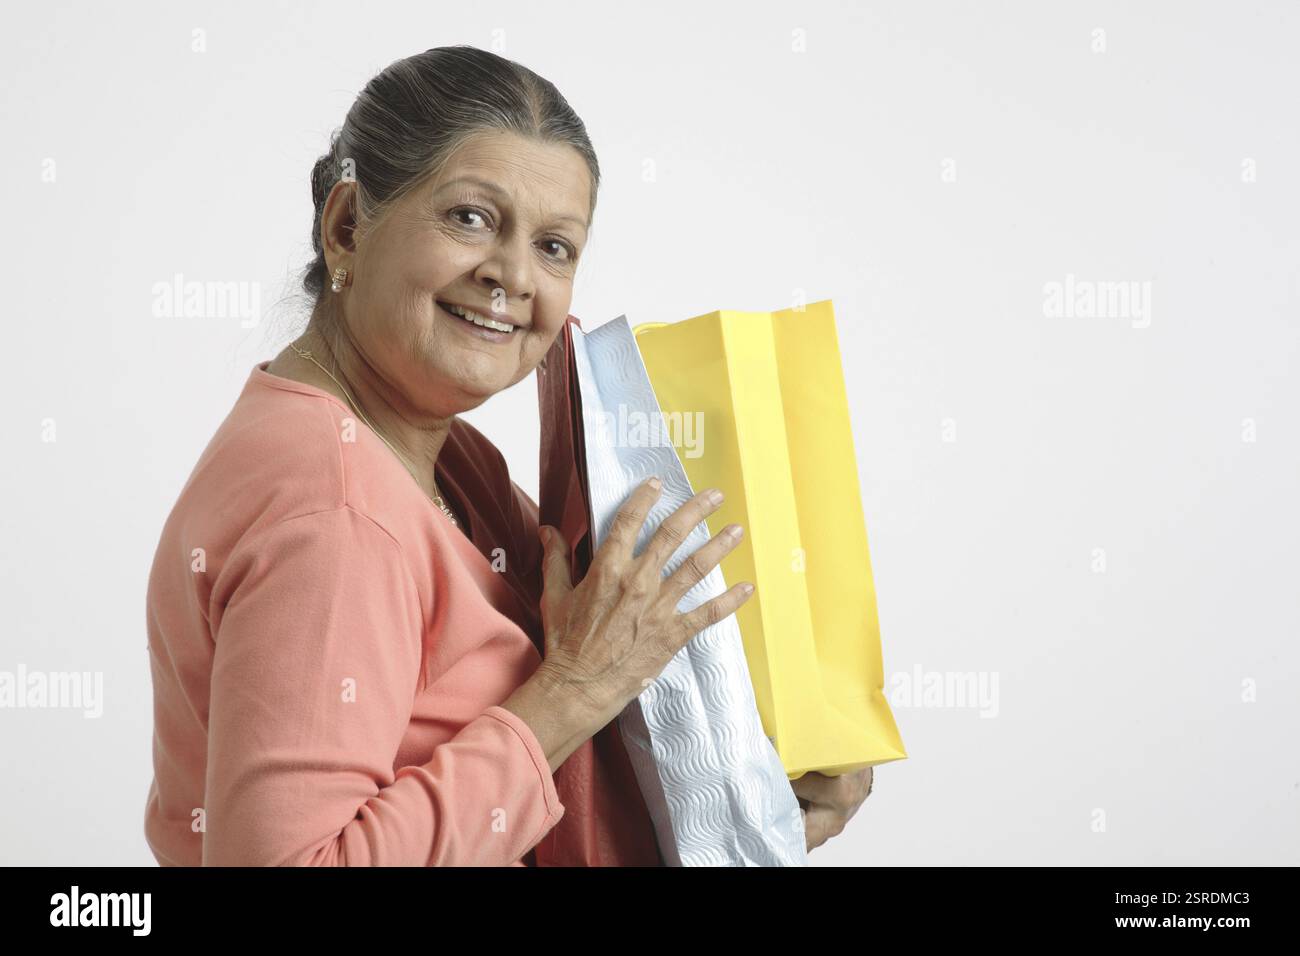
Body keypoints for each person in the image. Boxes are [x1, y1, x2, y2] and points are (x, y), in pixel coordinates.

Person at [143, 44, 871, 867]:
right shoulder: (337, 513)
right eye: (470, 217)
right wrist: (575, 690)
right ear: (347, 227)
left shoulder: (437, 454)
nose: (512, 277)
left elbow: (609, 659)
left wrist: (761, 784)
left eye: (555, 247)